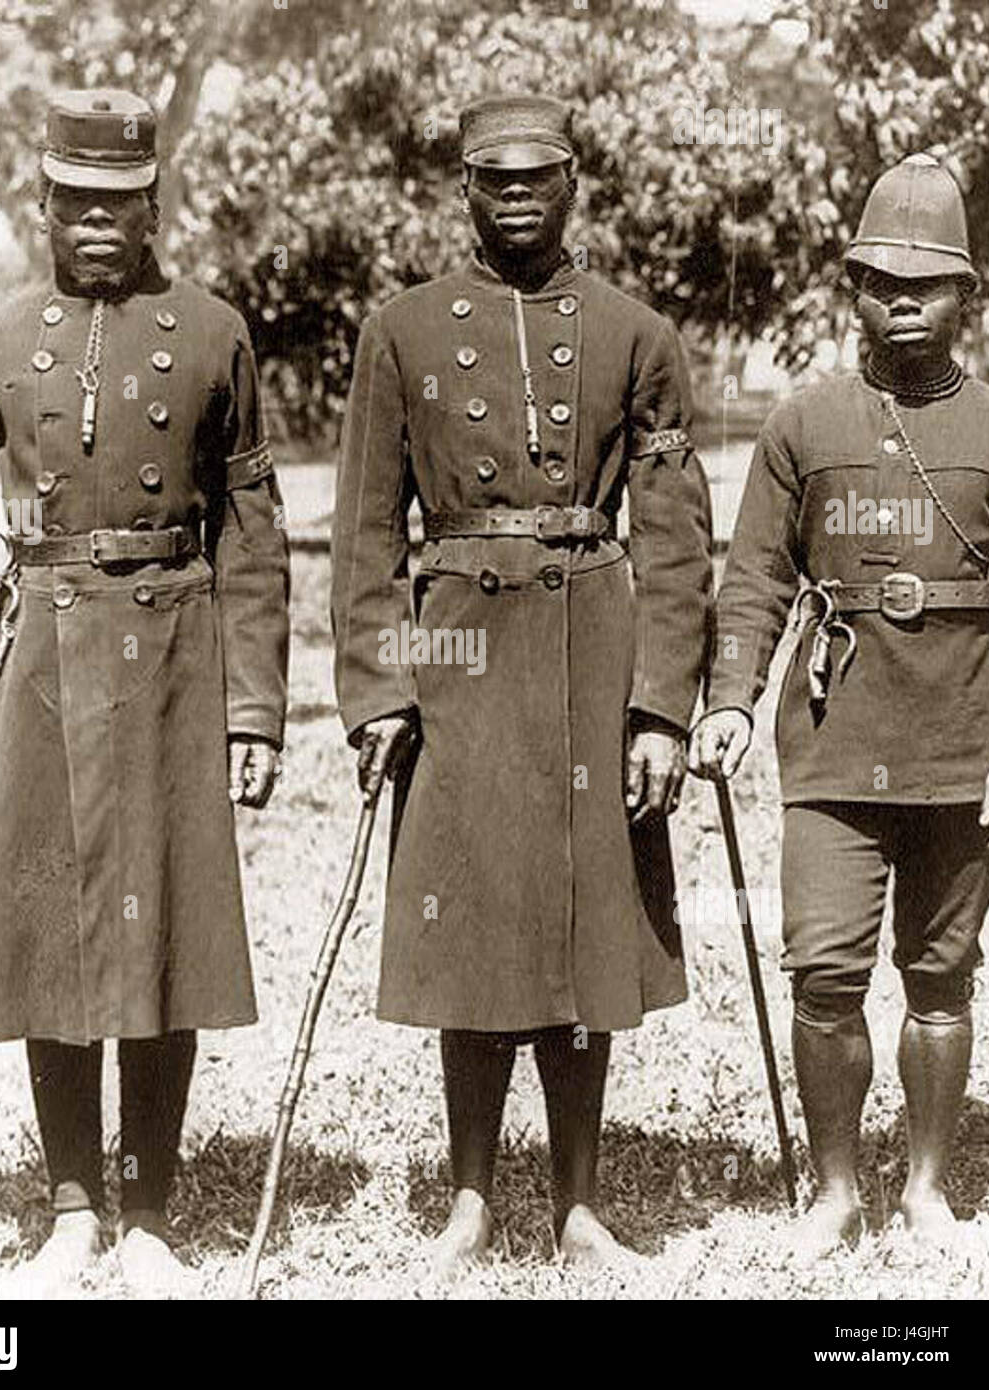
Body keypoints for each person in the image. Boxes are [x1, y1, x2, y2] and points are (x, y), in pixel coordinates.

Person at [0, 90, 290, 1296]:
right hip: (40, 665)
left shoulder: (213, 332)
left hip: (171, 658)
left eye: (120, 203)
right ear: (43, 205)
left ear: (152, 206)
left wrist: (255, 706)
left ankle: (148, 1207)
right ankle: (70, 1209)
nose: (98, 222)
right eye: (76, 202)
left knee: (162, 928)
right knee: (50, 925)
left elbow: (253, 528)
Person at [330, 94, 712, 1275]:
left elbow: (678, 531)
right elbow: (359, 529)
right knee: (470, 924)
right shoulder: (399, 329)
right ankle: (467, 1198)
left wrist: (659, 706)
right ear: (462, 191)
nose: (513, 197)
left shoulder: (636, 333)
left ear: (570, 185)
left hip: (588, 647)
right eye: (490, 180)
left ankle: (580, 1204)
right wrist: (379, 690)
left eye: (534, 178)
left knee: (587, 923)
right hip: (454, 651)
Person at [691, 153, 989, 1259]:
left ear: (968, 294)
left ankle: (923, 1186)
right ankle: (832, 1191)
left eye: (927, 281)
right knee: (822, 972)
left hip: (962, 743)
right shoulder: (802, 424)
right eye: (880, 278)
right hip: (830, 736)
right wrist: (727, 699)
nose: (902, 298)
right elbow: (754, 580)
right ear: (850, 288)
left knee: (938, 970)